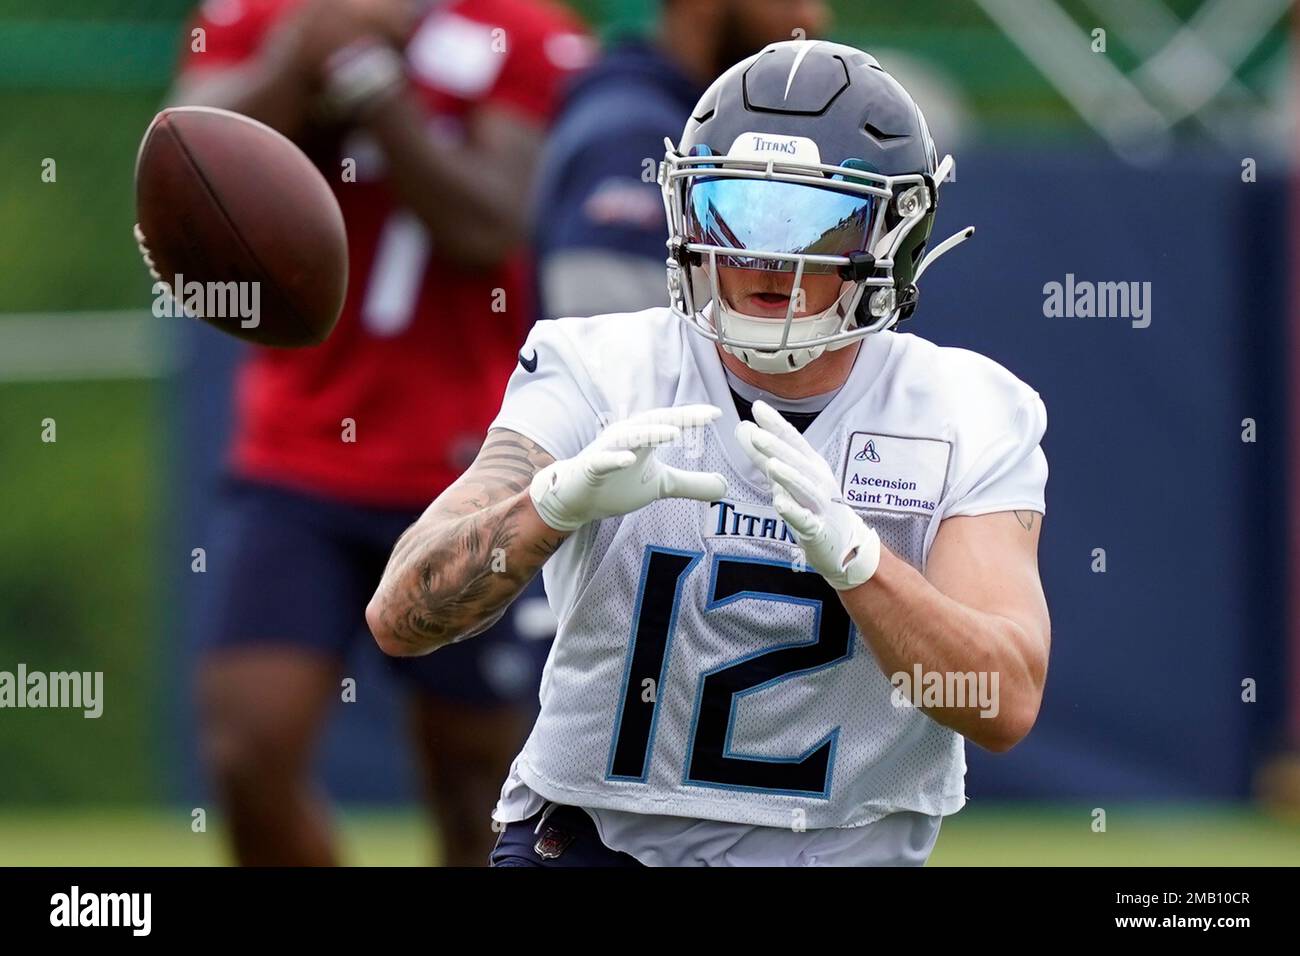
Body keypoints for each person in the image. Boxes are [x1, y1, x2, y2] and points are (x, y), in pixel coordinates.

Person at [367, 40, 1052, 867]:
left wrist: (860, 560)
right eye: (734, 208)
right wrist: (546, 508)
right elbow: (399, 616)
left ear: (891, 233)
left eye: (810, 219)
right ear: (688, 209)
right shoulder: (600, 368)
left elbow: (1005, 700)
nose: (765, 254)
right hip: (598, 843)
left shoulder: (966, 408)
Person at [171, 0, 589, 866]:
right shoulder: (260, 15)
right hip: (298, 450)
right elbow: (185, 165)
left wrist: (374, 83)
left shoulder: (524, 30)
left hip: (468, 462)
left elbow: (490, 224)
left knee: (479, 780)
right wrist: (300, 59)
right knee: (247, 747)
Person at [533, 0, 831, 322]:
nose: (812, 18)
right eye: (791, 3)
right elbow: (608, 356)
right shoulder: (632, 139)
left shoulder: (694, 123)